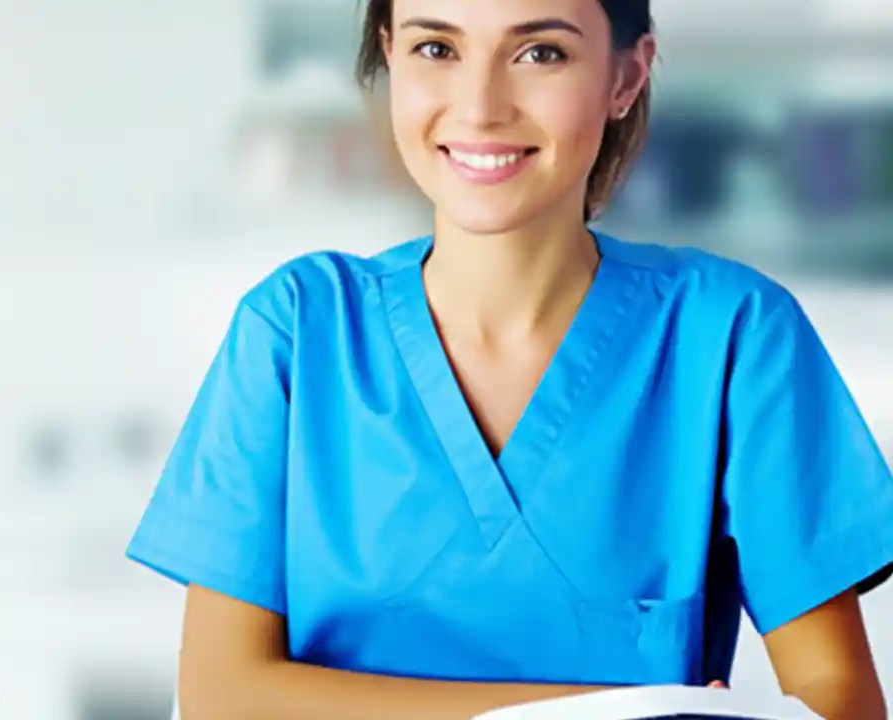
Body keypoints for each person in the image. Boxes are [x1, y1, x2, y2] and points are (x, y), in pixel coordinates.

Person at [125, 0, 893, 717]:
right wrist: (618, 712)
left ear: (625, 76)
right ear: (390, 56)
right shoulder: (296, 328)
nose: (481, 106)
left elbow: (838, 694)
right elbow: (222, 697)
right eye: (436, 48)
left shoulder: (731, 335)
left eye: (540, 52)